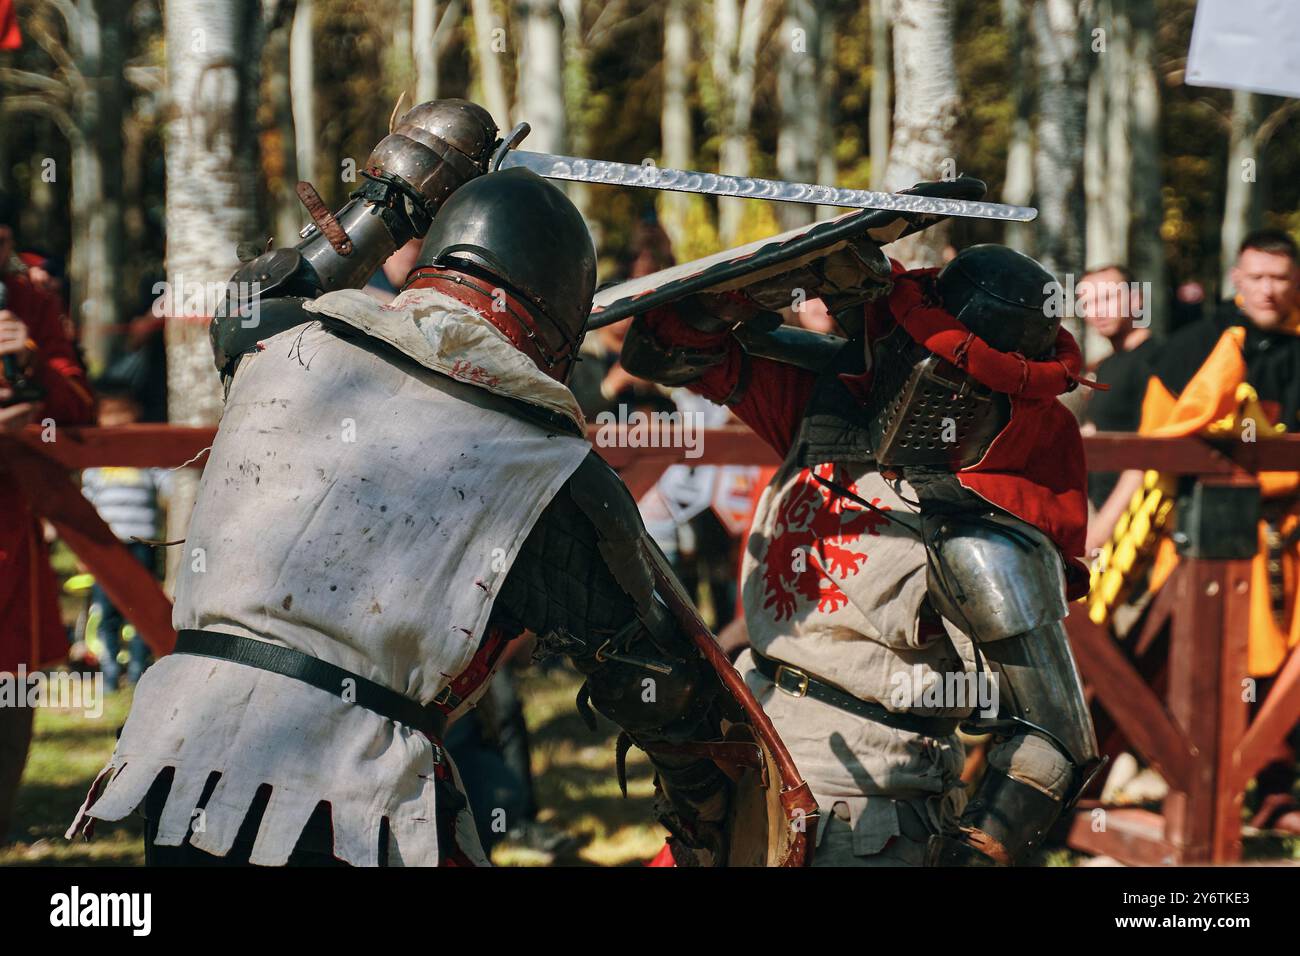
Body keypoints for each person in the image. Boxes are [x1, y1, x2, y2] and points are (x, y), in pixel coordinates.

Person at [66, 160, 748, 867]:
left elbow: (260, 288)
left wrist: (394, 193)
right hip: (344, 800)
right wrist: (709, 814)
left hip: (180, 755)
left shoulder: (277, 338)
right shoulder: (544, 466)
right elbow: (659, 684)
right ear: (562, 318)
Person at [623, 243, 1101, 866]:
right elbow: (659, 350)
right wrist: (772, 283)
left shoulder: (989, 535)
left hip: (866, 803)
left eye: (960, 374)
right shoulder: (833, 408)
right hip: (746, 752)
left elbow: (1055, 736)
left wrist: (981, 851)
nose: (936, 387)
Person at [0, 194, 96, 841]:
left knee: (11, 683)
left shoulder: (27, 299)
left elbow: (78, 406)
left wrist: (32, 355)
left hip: (12, 526)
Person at [80, 380, 167, 689]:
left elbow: (169, 487)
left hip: (142, 543)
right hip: (106, 547)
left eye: (123, 415)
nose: (117, 422)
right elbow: (84, 506)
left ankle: (139, 669)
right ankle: (109, 671)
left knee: (142, 609)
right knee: (107, 609)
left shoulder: (146, 459)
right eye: (110, 415)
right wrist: (85, 551)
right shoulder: (95, 465)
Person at [1076, 265, 1160, 516]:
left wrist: (1101, 531)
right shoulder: (1104, 366)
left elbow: (1151, 453)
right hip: (1100, 508)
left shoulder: (1157, 361)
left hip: (1139, 519)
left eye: (1107, 298)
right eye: (1088, 302)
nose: (1098, 311)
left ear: (1136, 299)